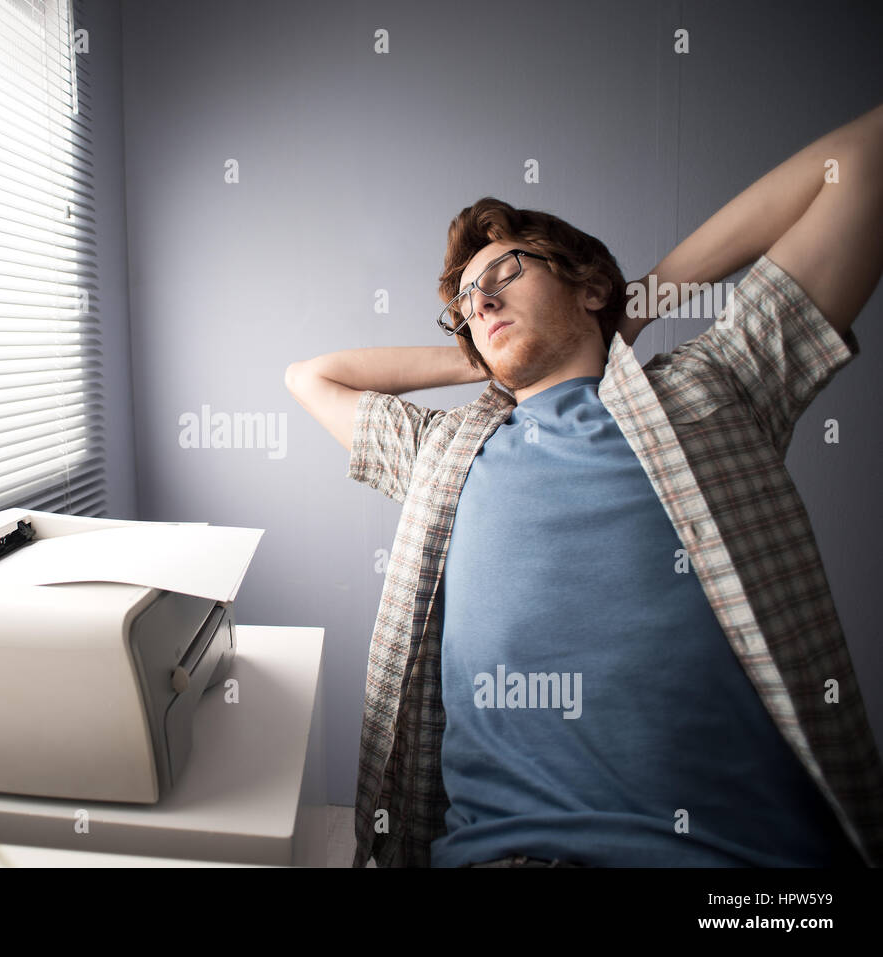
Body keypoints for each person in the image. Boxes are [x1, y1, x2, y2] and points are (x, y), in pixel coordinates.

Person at [285, 101, 883, 867]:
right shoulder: (444, 456)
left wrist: (645, 298)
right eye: (465, 304)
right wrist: (481, 352)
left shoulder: (710, 388)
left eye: (505, 272)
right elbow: (311, 378)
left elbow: (860, 164)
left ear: (589, 286)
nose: (482, 301)